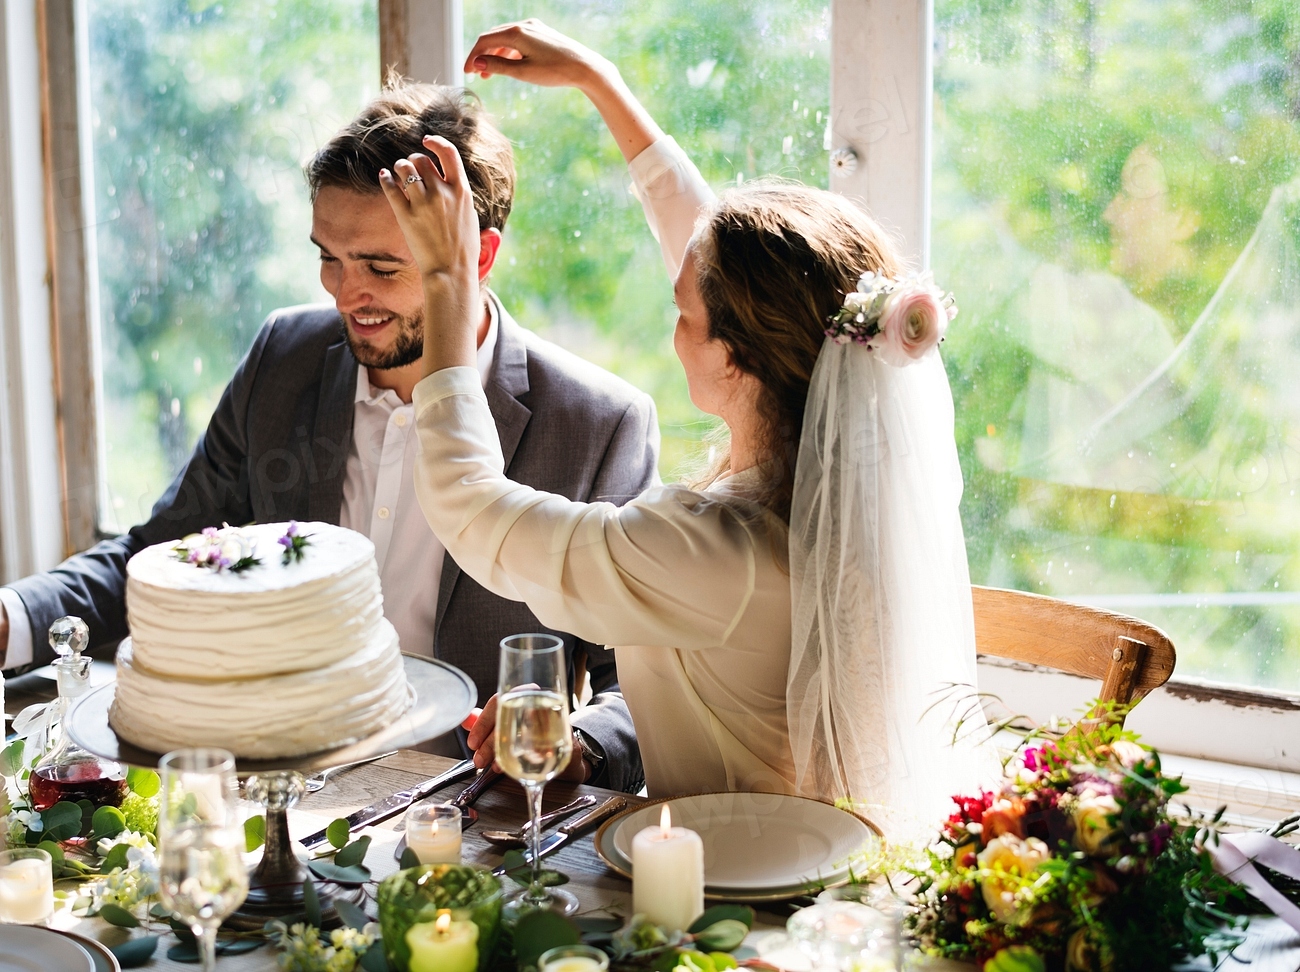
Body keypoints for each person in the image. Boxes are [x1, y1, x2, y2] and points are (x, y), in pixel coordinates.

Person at [387, 22, 994, 825]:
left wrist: (443, 280)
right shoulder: (832, 487)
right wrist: (602, 87)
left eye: (683, 313)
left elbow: (473, 508)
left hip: (737, 895)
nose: (672, 321)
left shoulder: (713, 551)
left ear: (739, 356)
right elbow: (734, 262)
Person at [0, 82, 657, 793]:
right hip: (275, 801)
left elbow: (646, 689)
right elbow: (160, 555)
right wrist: (13, 618)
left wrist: (574, 741)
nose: (346, 296)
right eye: (330, 258)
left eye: (380, 266)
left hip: (474, 820)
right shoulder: (284, 357)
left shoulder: (595, 424)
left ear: (476, 256)